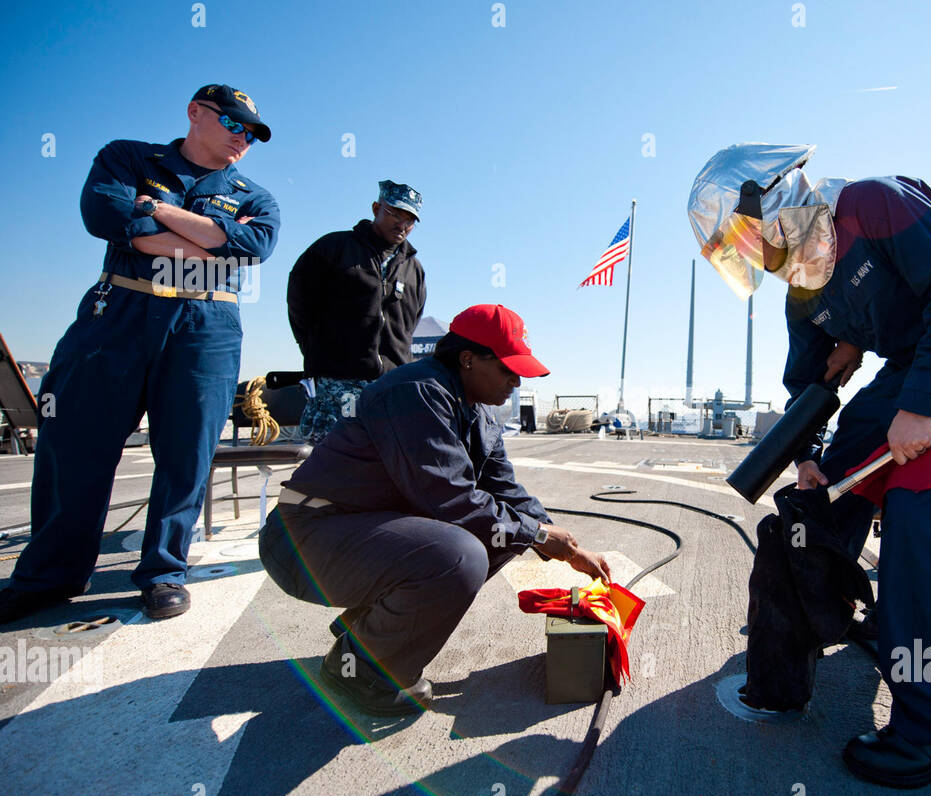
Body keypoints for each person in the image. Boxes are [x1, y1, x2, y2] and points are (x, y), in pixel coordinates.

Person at [688, 144, 931, 787]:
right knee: (813, 506)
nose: (753, 254)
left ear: (774, 204)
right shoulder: (799, 284)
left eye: (748, 236)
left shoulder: (872, 204)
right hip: (913, 368)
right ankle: (812, 634)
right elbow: (808, 382)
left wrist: (922, 406)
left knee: (917, 523)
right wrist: (812, 458)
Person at [0, 84, 279, 623]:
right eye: (234, 125)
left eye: (252, 134)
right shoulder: (126, 156)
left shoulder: (254, 195)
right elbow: (106, 215)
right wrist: (206, 240)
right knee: (75, 446)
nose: (243, 140)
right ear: (197, 112)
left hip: (206, 326)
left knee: (186, 454)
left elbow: (253, 248)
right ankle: (49, 575)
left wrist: (153, 213)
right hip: (119, 313)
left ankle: (164, 571)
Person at [258, 304, 612, 716]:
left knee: (506, 533)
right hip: (305, 539)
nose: (516, 382)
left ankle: (366, 631)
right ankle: (358, 671)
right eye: (507, 370)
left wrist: (563, 545)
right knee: (459, 553)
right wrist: (536, 534)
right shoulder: (416, 391)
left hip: (351, 535)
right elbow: (452, 500)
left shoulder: (479, 411)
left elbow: (506, 490)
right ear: (467, 359)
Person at [287, 180, 428, 442]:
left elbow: (410, 322)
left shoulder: (414, 270)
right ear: (376, 208)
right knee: (330, 472)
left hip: (391, 388)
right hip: (336, 386)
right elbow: (299, 304)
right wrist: (318, 352)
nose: (401, 224)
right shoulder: (332, 249)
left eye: (410, 220)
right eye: (394, 213)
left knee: (385, 471)